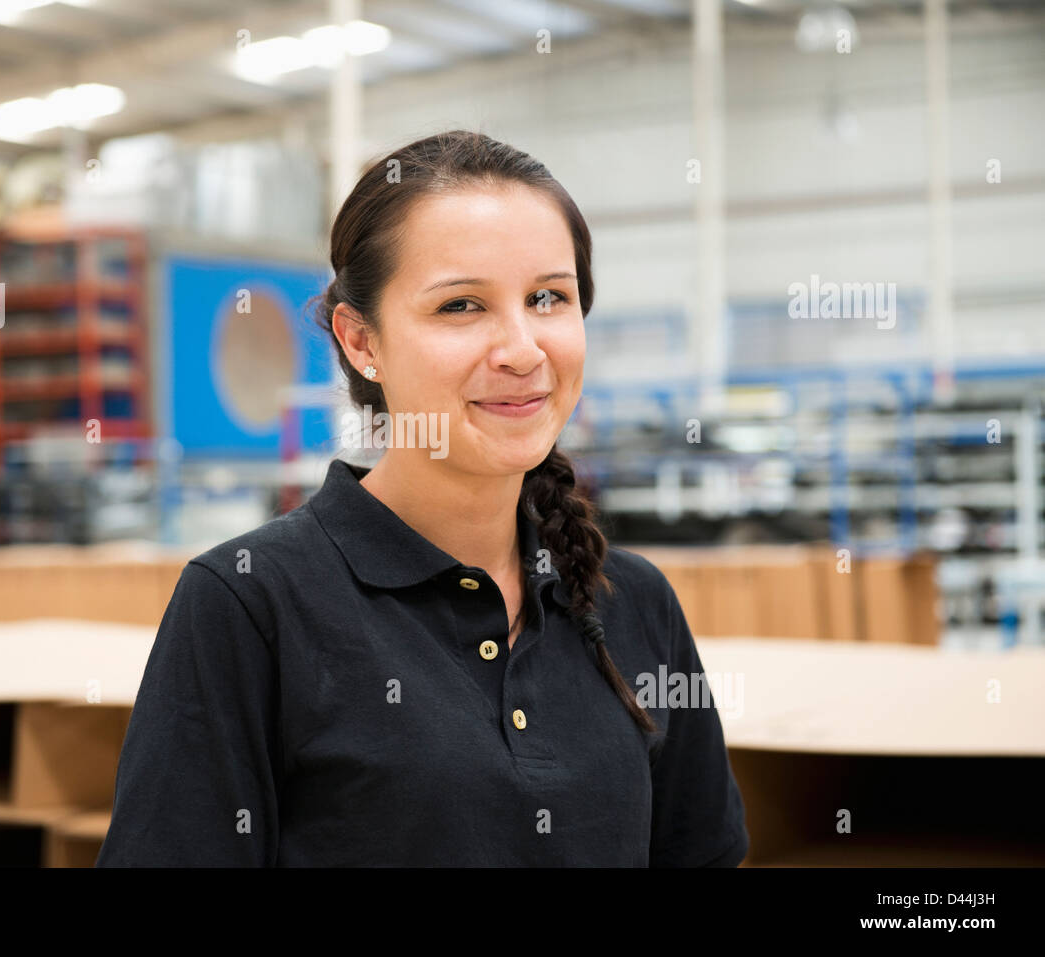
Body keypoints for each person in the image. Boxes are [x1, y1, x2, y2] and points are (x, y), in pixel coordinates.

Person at [96, 129, 749, 867]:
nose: (522, 349)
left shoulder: (633, 602)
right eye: (462, 306)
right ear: (361, 341)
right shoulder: (250, 605)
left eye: (547, 298)